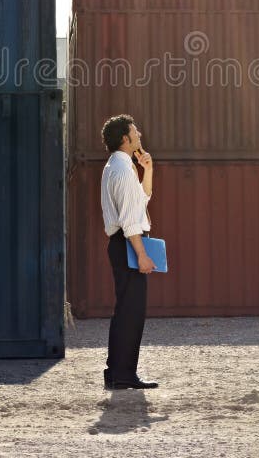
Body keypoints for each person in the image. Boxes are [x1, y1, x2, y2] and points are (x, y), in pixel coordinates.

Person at [100, 114, 159, 391]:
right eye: (135, 131)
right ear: (125, 138)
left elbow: (142, 200)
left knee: (124, 310)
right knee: (131, 312)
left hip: (122, 243)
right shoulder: (122, 170)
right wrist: (142, 255)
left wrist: (147, 169)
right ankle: (124, 374)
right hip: (128, 243)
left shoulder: (120, 165)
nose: (140, 134)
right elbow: (130, 220)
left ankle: (116, 372)